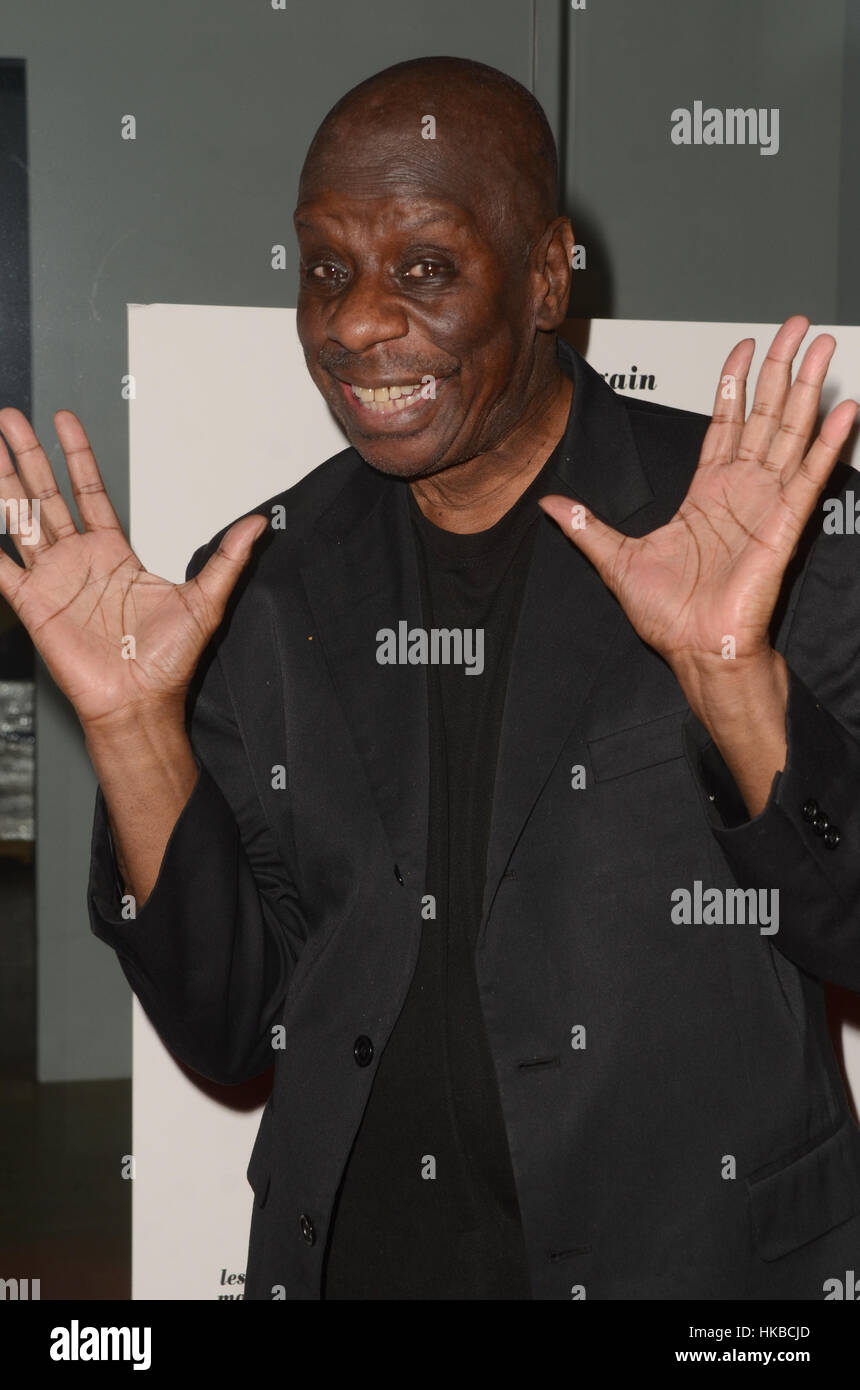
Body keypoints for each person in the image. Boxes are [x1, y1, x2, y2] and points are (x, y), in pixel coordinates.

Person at [1, 56, 859, 1300]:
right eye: (326, 268)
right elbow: (233, 1024)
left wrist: (732, 679)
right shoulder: (263, 583)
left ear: (548, 275)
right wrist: (134, 728)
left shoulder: (759, 527)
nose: (352, 321)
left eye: (422, 267)